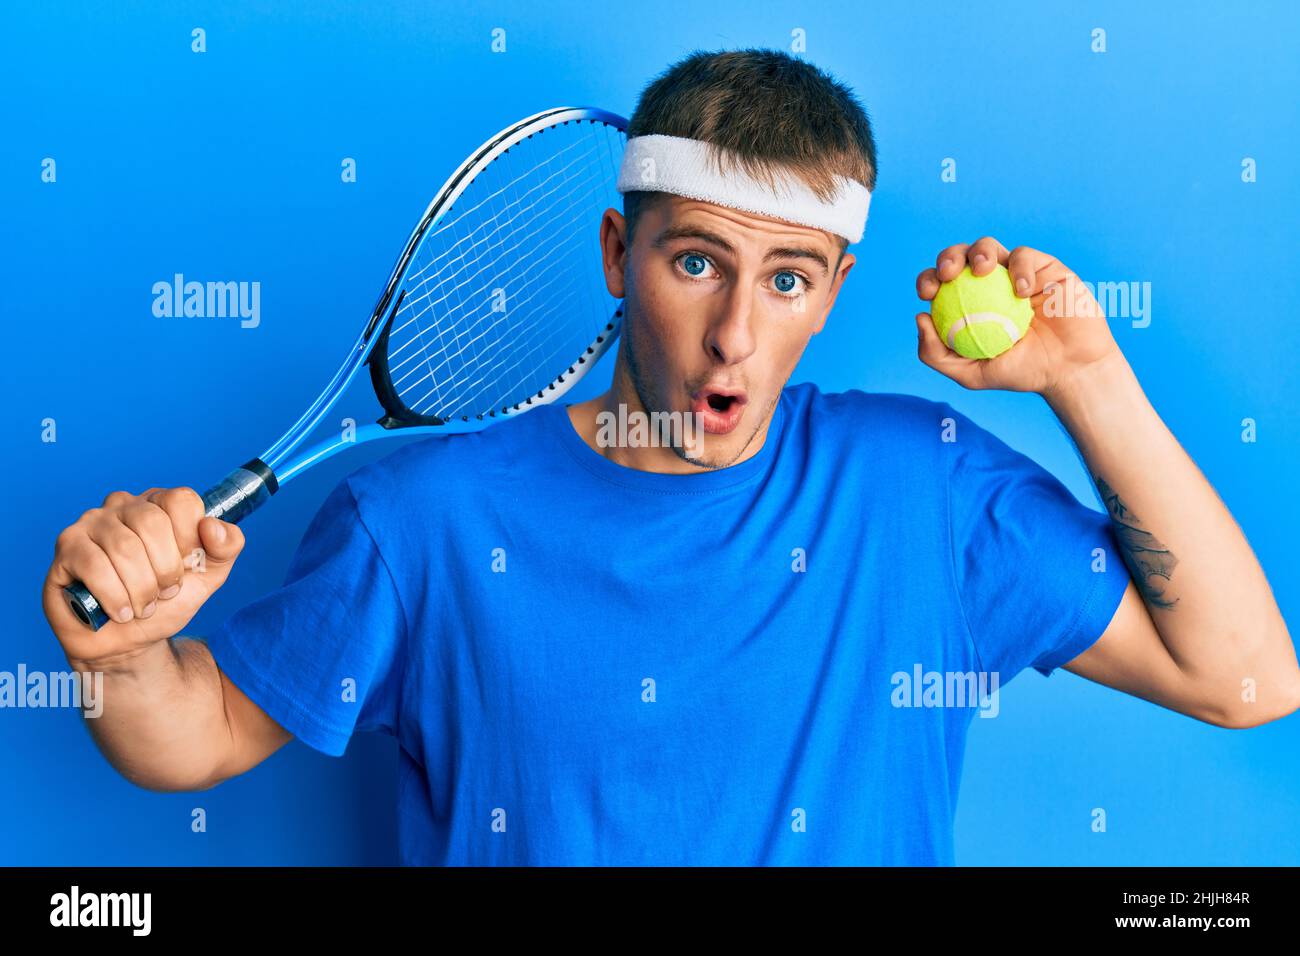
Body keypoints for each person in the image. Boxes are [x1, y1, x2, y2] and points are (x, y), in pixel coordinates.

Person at [42, 48, 1300, 865]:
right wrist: (120, 654)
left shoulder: (921, 485)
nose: (736, 334)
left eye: (789, 278)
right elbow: (187, 739)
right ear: (615, 255)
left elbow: (1245, 679)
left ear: (831, 291)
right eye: (694, 260)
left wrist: (1089, 378)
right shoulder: (421, 518)